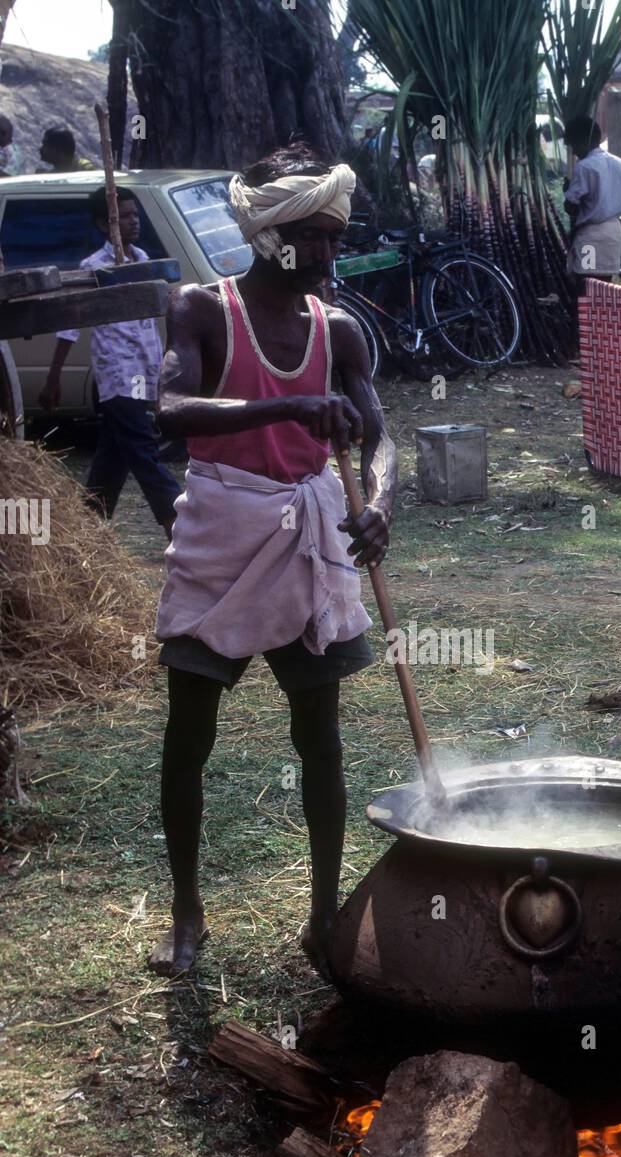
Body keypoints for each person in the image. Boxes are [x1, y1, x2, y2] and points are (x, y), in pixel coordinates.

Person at [148, 142, 396, 979]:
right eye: (314, 237)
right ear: (269, 235)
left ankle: (324, 912)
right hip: (221, 538)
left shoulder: (342, 330)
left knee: (319, 740)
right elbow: (171, 409)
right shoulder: (203, 308)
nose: (329, 254)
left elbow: (378, 432)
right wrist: (287, 402)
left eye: (335, 236)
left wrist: (383, 499)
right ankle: (187, 914)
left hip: (310, 545)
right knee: (189, 742)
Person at [39, 188, 180, 539]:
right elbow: (70, 328)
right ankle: (178, 525)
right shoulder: (94, 269)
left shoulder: (142, 258)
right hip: (118, 374)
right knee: (143, 451)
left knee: (113, 454)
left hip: (145, 369)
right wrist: (53, 377)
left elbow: (151, 323)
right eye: (126, 217)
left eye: (135, 215)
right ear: (106, 225)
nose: (134, 222)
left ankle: (89, 528)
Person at [563, 116, 621, 289]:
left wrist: (568, 190)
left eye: (574, 145)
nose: (573, 152)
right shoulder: (619, 163)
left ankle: (586, 317)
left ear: (582, 140)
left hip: (591, 237)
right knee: (604, 288)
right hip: (613, 234)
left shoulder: (584, 167)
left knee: (588, 286)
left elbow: (570, 207)